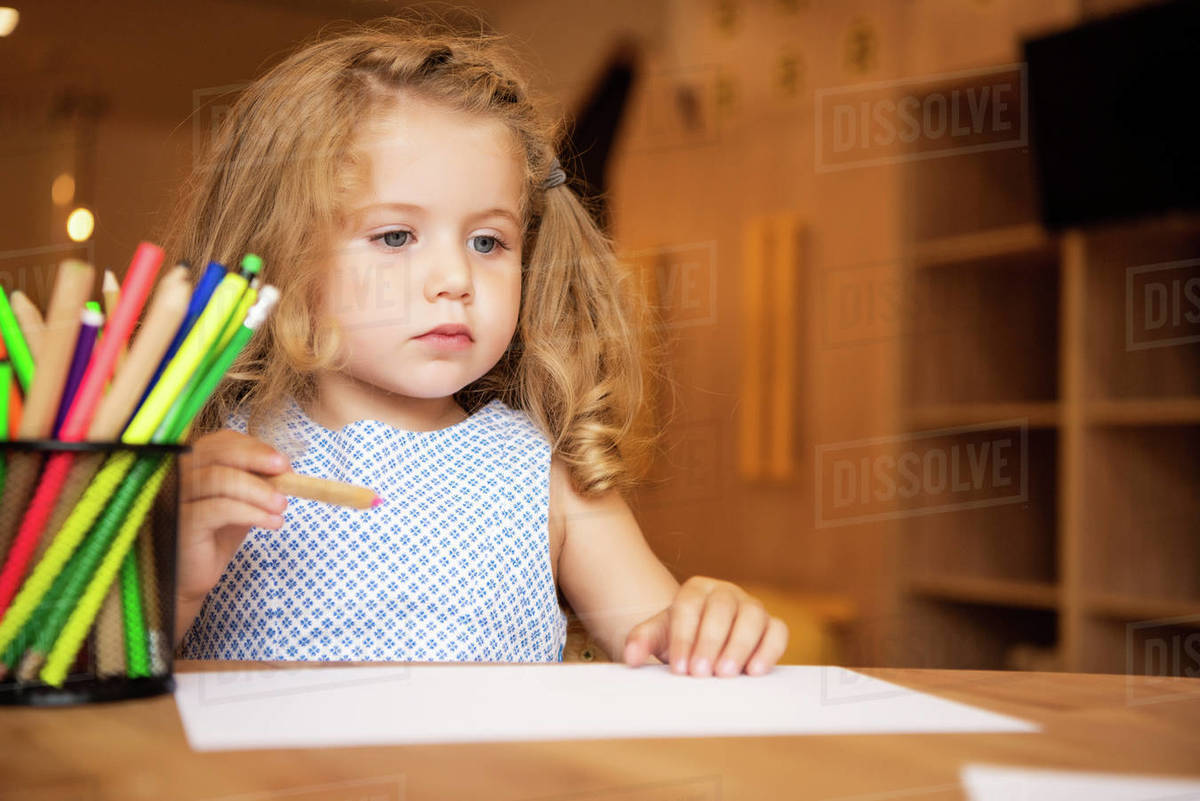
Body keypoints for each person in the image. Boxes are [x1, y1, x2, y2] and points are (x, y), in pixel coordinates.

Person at [169, 14, 788, 676]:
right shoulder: (213, 463)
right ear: (282, 247)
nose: (456, 280)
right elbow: (92, 673)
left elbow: (665, 650)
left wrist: (709, 624)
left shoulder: (550, 479)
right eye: (396, 236)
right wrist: (176, 582)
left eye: (487, 241)